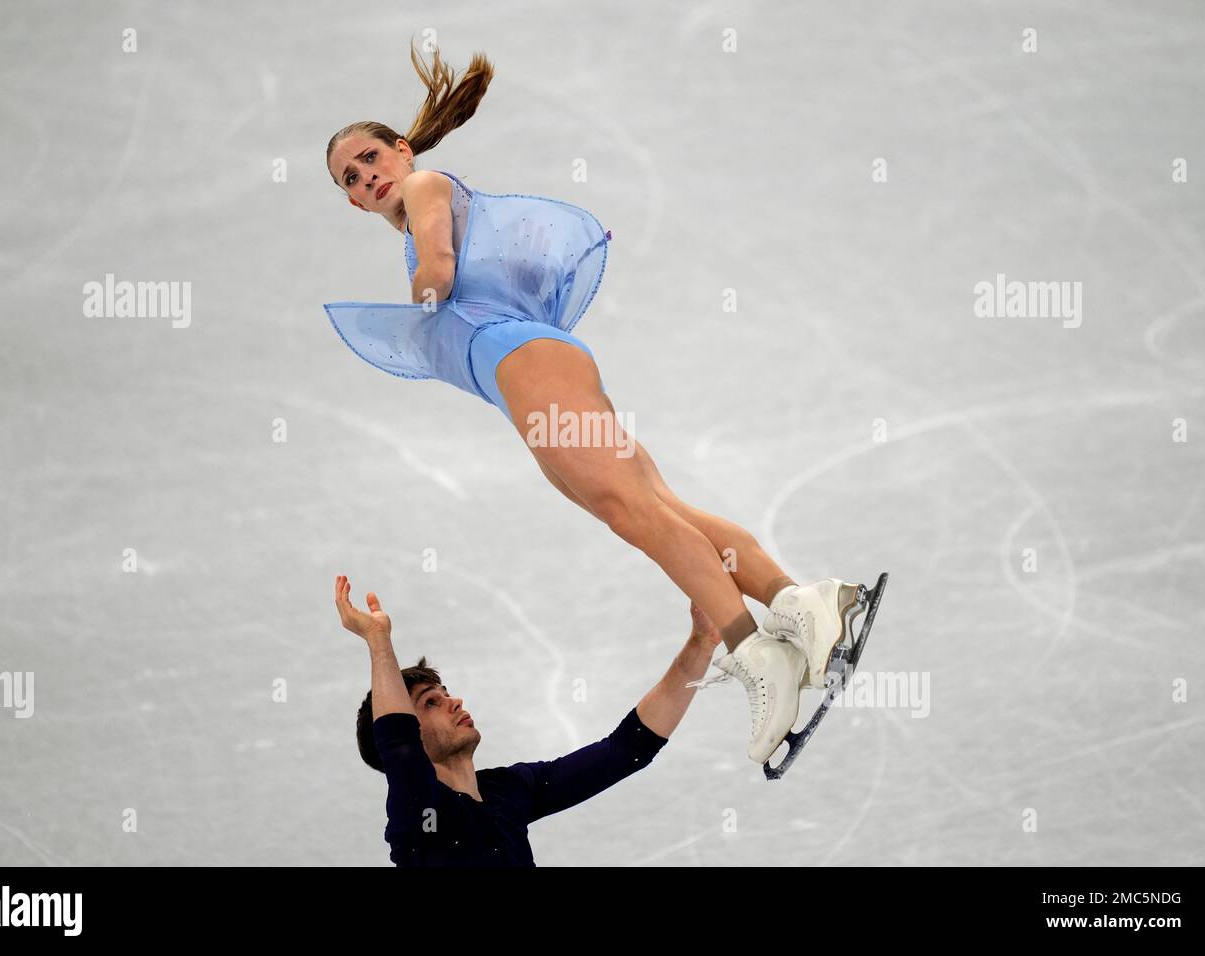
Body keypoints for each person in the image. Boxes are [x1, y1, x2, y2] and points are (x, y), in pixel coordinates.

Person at [323, 43, 871, 765]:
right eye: (351, 181)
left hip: (530, 368)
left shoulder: (425, 186)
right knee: (658, 507)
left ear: (400, 148)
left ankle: (757, 650)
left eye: (369, 158)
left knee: (632, 511)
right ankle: (805, 605)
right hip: (532, 369)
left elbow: (441, 273)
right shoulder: (432, 198)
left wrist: (422, 294)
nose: (366, 178)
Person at [336, 576, 715, 866]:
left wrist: (702, 642)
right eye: (431, 702)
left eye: (445, 691)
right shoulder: (420, 812)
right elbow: (398, 743)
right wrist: (379, 642)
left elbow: (627, 748)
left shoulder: (507, 791)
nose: (454, 701)